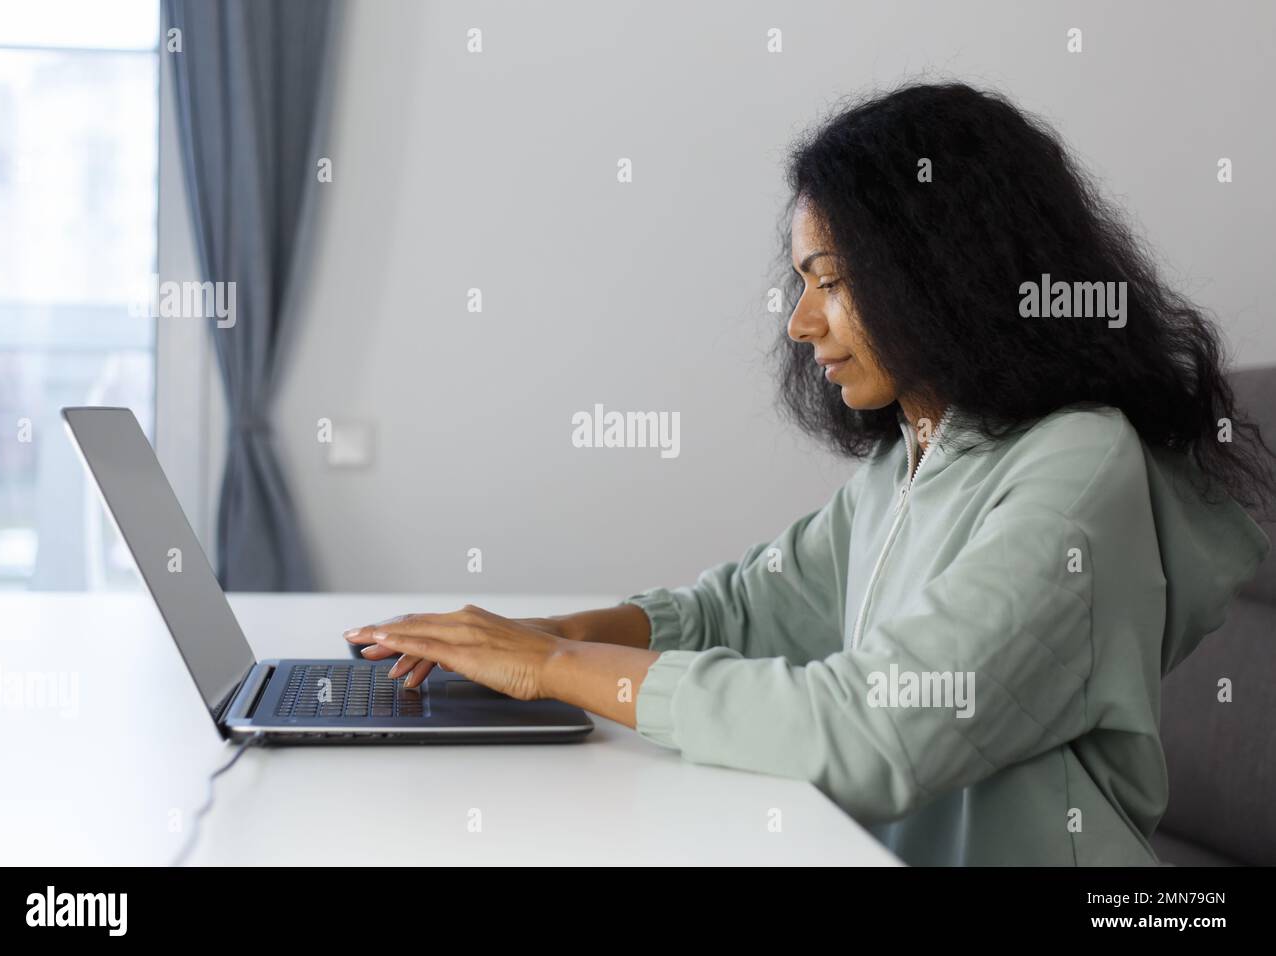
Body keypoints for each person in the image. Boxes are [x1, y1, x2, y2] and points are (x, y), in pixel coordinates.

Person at [345, 83, 1273, 865]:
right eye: (802, 283)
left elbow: (879, 728)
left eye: (830, 280)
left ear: (940, 269)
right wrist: (536, 636)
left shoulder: (1077, 468)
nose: (800, 322)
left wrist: (555, 666)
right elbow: (742, 613)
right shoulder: (913, 459)